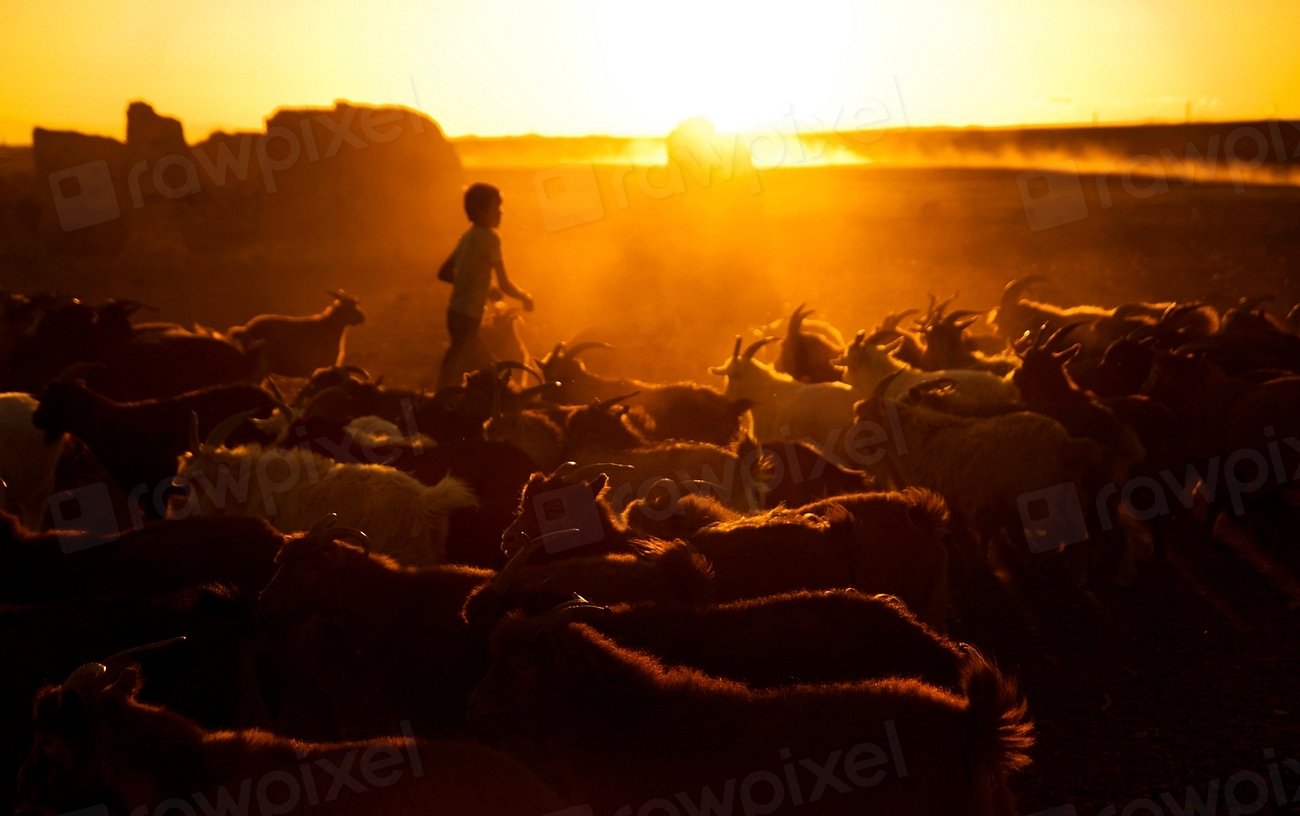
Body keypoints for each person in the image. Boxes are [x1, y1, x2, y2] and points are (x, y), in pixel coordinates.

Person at [436, 183, 534, 389]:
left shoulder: (468, 237)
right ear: (481, 212)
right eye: (496, 208)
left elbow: (444, 273)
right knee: (494, 372)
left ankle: (443, 399)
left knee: (458, 366)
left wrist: (480, 285)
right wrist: (525, 297)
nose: (501, 213)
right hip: (469, 319)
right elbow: (505, 284)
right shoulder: (491, 238)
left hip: (453, 315)